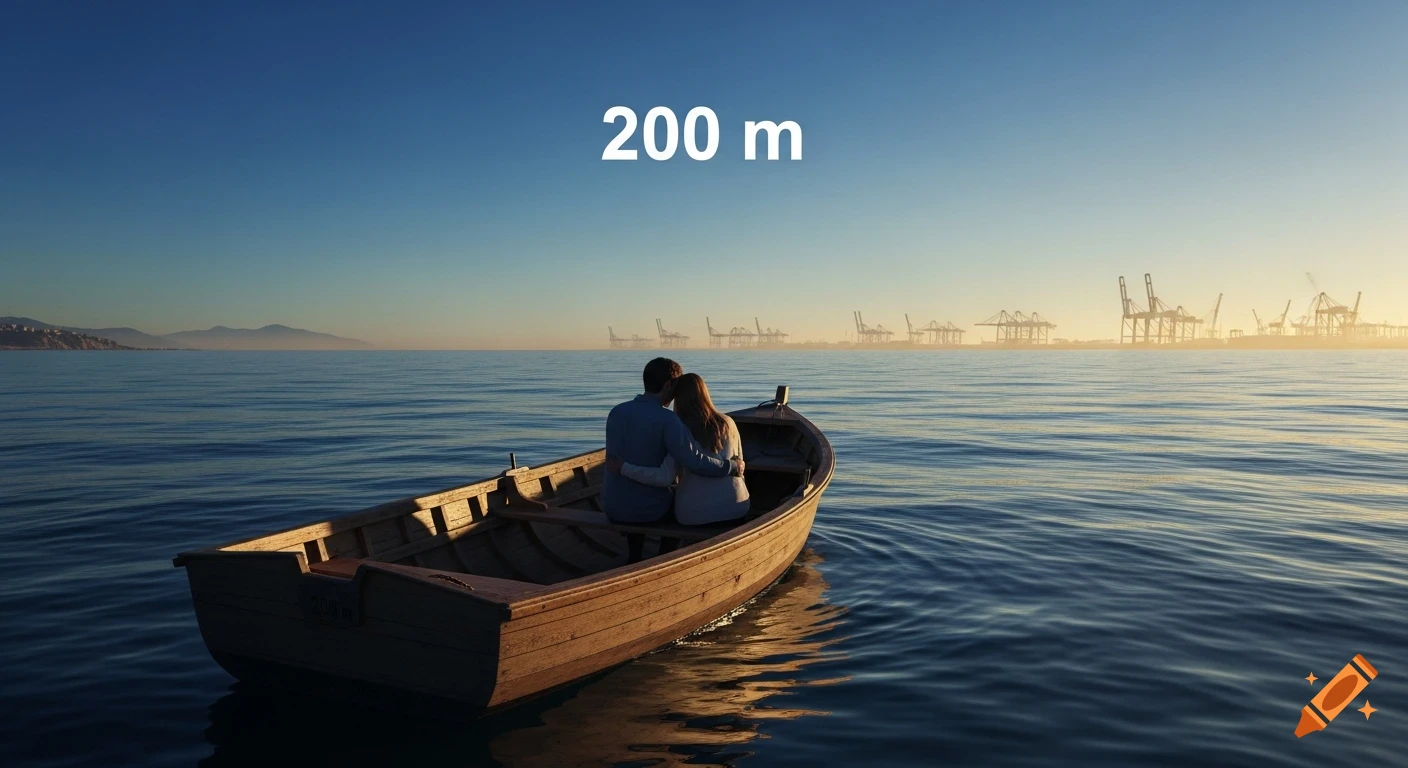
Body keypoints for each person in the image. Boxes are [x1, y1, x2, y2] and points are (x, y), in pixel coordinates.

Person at [603, 358, 745, 562]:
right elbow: (694, 461)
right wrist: (731, 466)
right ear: (668, 385)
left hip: (613, 507)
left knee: (639, 493)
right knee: (674, 502)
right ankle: (664, 560)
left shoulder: (616, 412)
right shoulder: (668, 420)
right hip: (650, 512)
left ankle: (635, 557)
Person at [612, 373, 750, 526]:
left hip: (693, 514)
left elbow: (664, 477)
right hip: (737, 506)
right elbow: (740, 467)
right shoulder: (728, 422)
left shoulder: (678, 428)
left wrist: (624, 468)